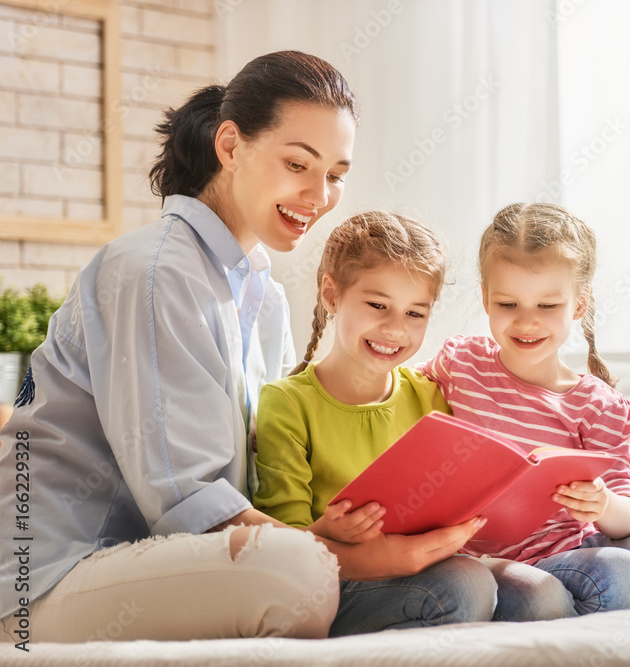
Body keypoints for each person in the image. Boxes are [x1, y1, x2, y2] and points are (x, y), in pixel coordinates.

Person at [0, 51, 482, 644]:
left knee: (457, 586)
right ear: (229, 146)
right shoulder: (152, 269)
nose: (318, 194)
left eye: (335, 174)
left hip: (181, 567)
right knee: (296, 571)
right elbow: (187, 498)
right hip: (49, 578)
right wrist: (365, 559)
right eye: (298, 164)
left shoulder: (265, 293)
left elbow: (268, 464)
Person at [419, 202, 630, 622]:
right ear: (486, 299)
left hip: (572, 552)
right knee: (616, 574)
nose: (527, 323)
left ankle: (597, 590)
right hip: (486, 561)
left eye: (547, 307)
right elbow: (396, 401)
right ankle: (583, 594)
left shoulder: (598, 406)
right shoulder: (461, 363)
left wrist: (602, 505)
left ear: (579, 305)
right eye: (508, 304)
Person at [251, 211, 497, 636]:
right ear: (331, 294)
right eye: (378, 305)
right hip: (337, 585)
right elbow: (283, 543)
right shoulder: (287, 403)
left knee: (535, 592)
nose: (395, 328)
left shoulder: (430, 396)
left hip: (425, 568)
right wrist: (326, 528)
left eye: (415, 313)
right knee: (466, 586)